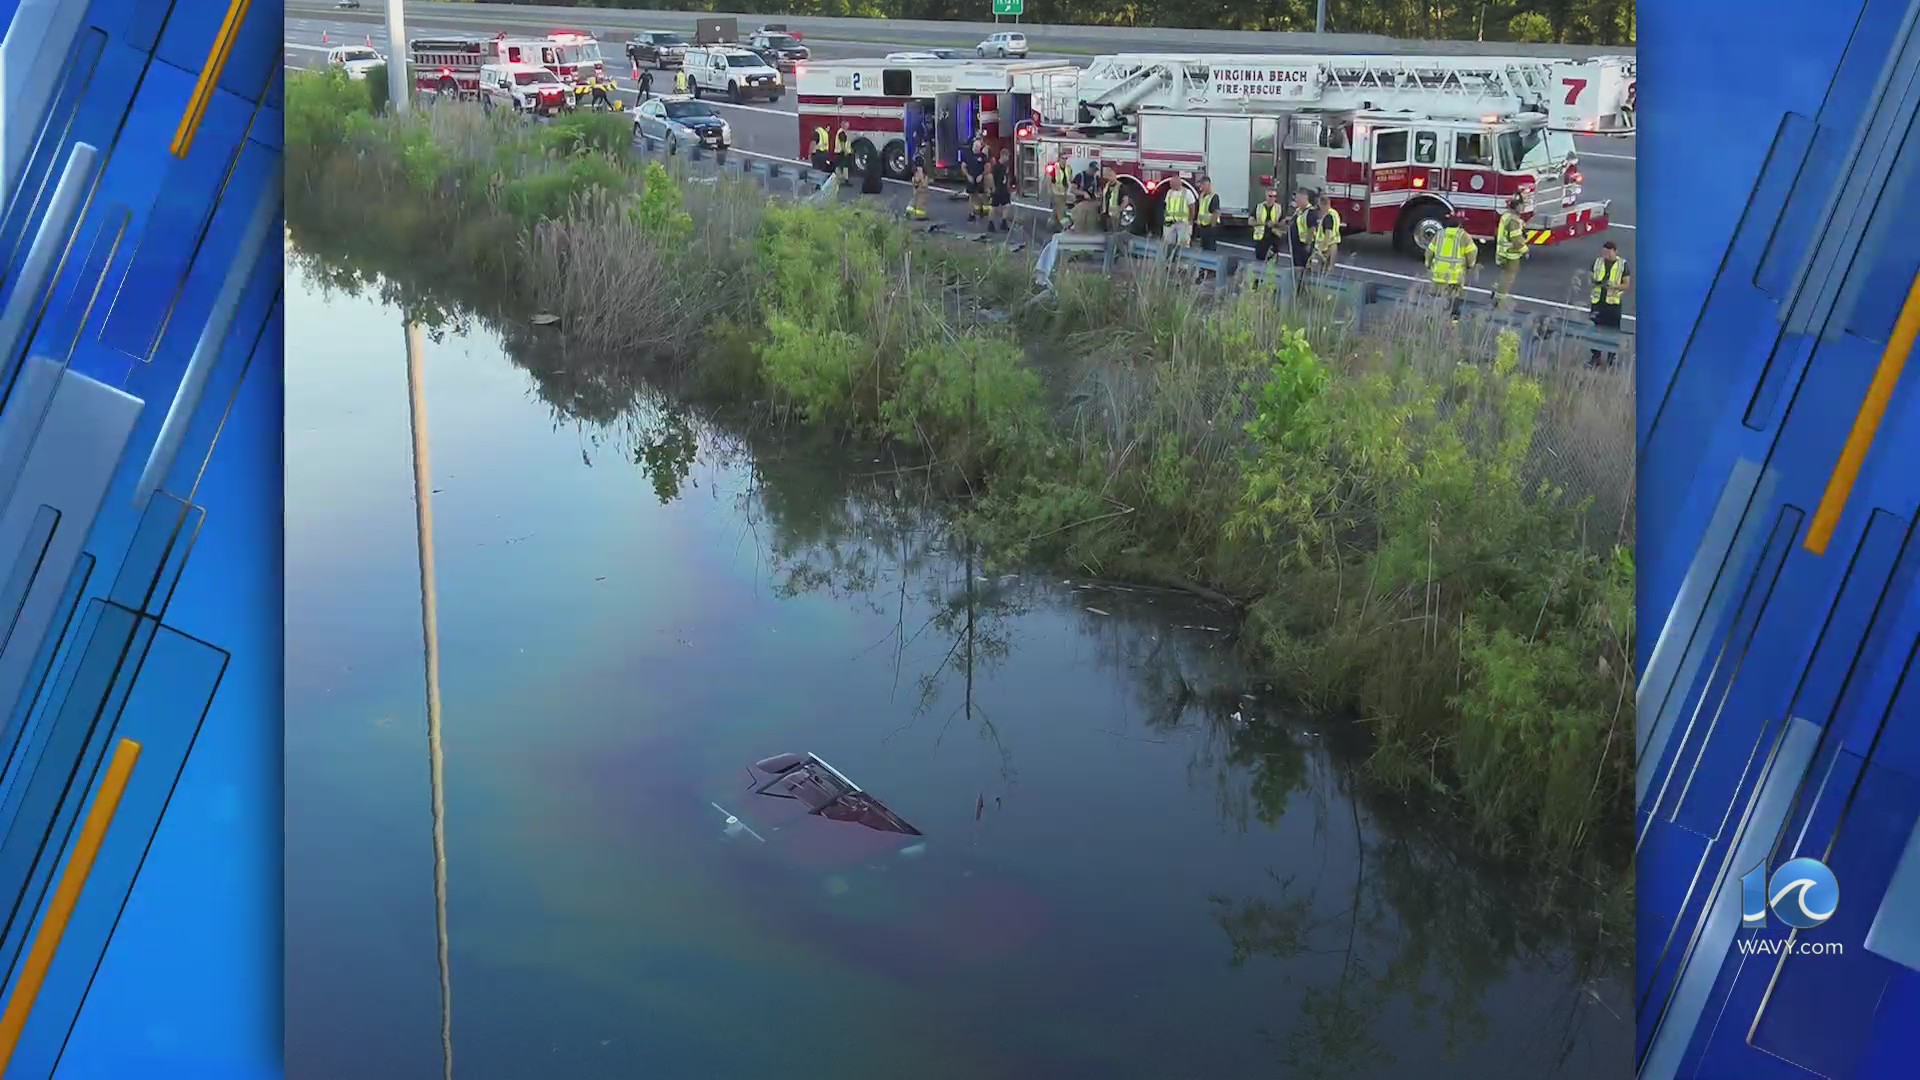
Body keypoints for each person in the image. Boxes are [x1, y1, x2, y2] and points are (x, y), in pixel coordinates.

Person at [1426, 212, 1478, 322]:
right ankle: (1453, 321)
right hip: (1455, 276)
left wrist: (1428, 264)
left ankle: (1431, 320)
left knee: (1435, 297)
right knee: (1455, 298)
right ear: (1460, 224)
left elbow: (1429, 251)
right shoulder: (1464, 236)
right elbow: (1472, 252)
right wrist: (1470, 265)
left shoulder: (1439, 234)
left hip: (1438, 274)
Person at [1589, 240, 1630, 366]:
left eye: (1608, 252)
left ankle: (1611, 358)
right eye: (1604, 252)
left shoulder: (1622, 265)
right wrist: (1595, 281)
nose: (1606, 255)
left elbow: (1626, 285)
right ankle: (1595, 357)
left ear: (1615, 252)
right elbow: (1590, 277)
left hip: (1613, 304)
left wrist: (1615, 286)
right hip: (1597, 302)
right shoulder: (1597, 262)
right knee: (1595, 330)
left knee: (1612, 332)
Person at [1494, 194, 1531, 309]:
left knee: (1504, 274)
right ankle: (1500, 301)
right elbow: (1516, 240)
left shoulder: (1507, 216)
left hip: (1503, 252)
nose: (1524, 207)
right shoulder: (1513, 220)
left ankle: (1496, 292)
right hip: (1511, 253)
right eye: (1522, 205)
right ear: (1517, 206)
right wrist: (1525, 251)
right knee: (1508, 277)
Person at [1287, 190, 1315, 292]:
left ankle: (1301, 289)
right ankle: (1298, 288)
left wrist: (1308, 244)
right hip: (1296, 245)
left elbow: (1312, 229)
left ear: (1304, 199)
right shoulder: (1299, 211)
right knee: (1297, 266)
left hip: (1303, 246)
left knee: (1301, 268)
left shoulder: (1310, 212)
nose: (1296, 202)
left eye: (1298, 199)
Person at [1249, 187, 1284, 263]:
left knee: (1272, 263)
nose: (1272, 198)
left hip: (1274, 238)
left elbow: (1283, 223)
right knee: (1260, 262)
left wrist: (1275, 224)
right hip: (1261, 239)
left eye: (1274, 196)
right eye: (1270, 196)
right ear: (1266, 196)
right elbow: (1250, 222)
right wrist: (1263, 223)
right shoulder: (1259, 207)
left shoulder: (1279, 208)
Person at [1311, 192, 1343, 273]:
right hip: (1333, 245)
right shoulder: (1334, 213)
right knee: (1329, 270)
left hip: (1327, 248)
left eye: (1319, 206)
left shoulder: (1328, 217)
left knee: (1322, 271)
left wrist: (1322, 250)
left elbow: (1328, 233)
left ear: (1322, 205)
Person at [1161, 176, 1193, 249]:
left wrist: (1190, 221)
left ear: (1178, 183)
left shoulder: (1187, 193)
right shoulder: (1169, 192)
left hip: (1182, 222)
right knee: (1167, 242)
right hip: (1170, 221)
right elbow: (1167, 206)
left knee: (1183, 243)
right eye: (1170, 184)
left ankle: (1182, 259)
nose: (1171, 186)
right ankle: (1169, 258)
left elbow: (1192, 207)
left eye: (1172, 184)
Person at [989, 147, 1014, 232]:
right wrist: (993, 188)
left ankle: (1004, 222)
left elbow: (1007, 177)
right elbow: (992, 178)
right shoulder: (996, 167)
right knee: (994, 207)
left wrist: (1008, 187)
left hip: (1004, 190)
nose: (1007, 158)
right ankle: (990, 223)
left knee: (1007, 205)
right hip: (997, 189)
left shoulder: (1005, 166)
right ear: (1003, 156)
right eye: (1007, 157)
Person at [1193, 176, 1220, 251]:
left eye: (1205, 185)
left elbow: (1216, 213)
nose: (1203, 187)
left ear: (1209, 185)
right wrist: (1198, 222)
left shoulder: (1214, 196)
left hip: (1210, 227)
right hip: (1203, 226)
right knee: (1203, 247)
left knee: (1210, 248)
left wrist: (1213, 226)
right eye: (1202, 185)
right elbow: (1200, 210)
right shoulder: (1201, 196)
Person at [964, 139, 988, 223]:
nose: (977, 148)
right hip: (971, 177)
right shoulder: (968, 156)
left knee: (981, 195)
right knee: (971, 196)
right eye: (976, 146)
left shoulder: (983, 156)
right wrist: (968, 176)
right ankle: (971, 214)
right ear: (973, 147)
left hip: (979, 178)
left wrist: (982, 175)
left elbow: (987, 167)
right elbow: (963, 166)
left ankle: (981, 209)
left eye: (978, 147)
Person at [1049, 162, 1072, 232]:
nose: (1064, 160)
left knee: (1057, 209)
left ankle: (1052, 223)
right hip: (1056, 193)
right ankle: (1066, 227)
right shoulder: (1054, 168)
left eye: (1065, 159)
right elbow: (1049, 181)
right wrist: (1050, 192)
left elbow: (1069, 180)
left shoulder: (1068, 168)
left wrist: (1068, 192)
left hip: (1064, 193)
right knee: (1061, 211)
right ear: (1059, 159)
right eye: (1062, 158)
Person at [1099, 166, 1122, 232]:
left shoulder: (1120, 186)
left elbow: (1125, 200)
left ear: (1115, 176)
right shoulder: (1107, 185)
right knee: (1106, 233)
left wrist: (1119, 209)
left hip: (1114, 215)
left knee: (1114, 232)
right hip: (1105, 214)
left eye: (1111, 175)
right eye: (1108, 176)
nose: (1109, 177)